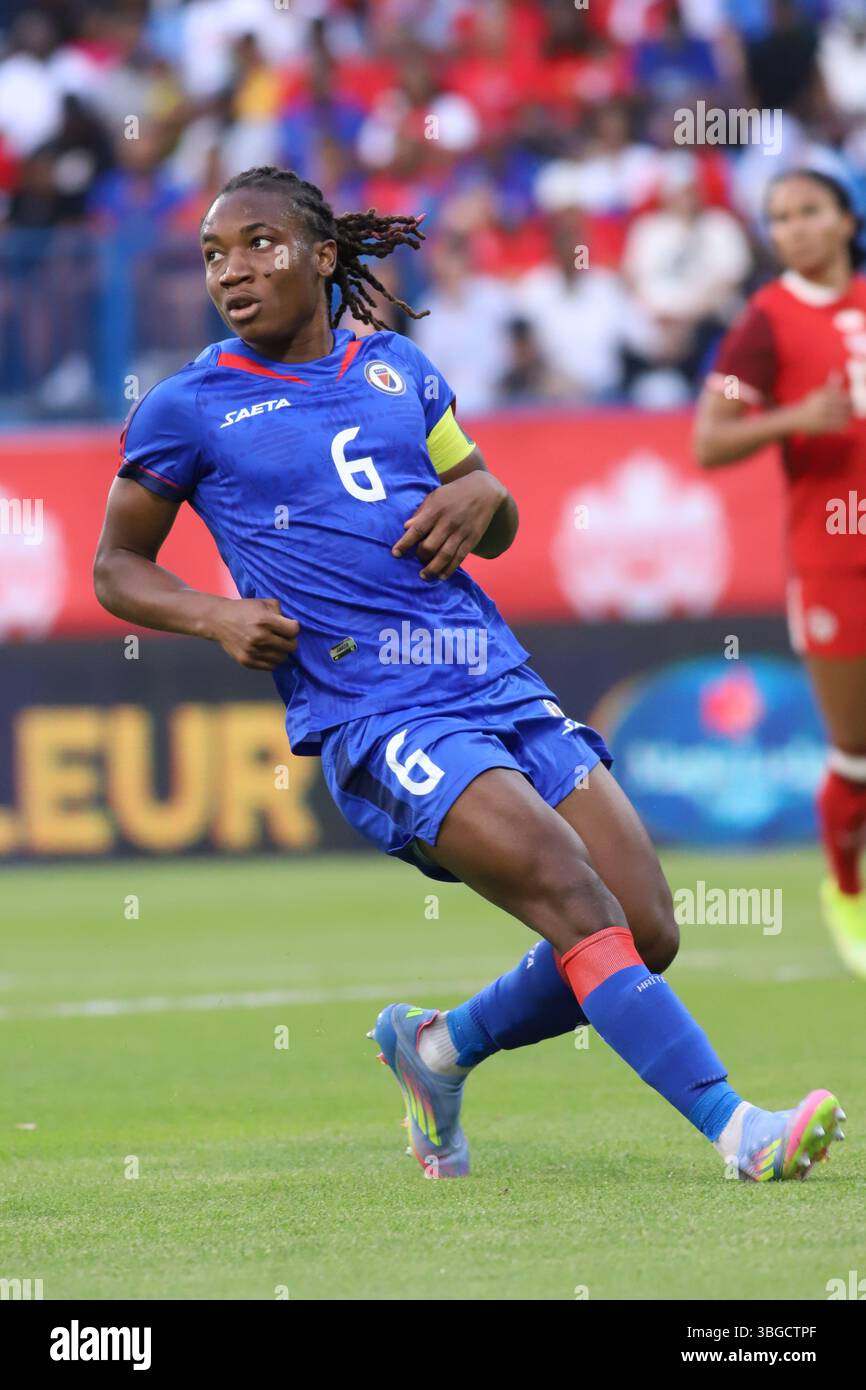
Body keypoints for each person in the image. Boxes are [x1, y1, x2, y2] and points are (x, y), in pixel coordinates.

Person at [94, 164, 844, 1182]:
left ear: (323, 257)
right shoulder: (189, 406)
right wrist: (215, 613)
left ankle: (436, 1047)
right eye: (215, 254)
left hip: (490, 675)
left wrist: (483, 489)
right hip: (375, 710)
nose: (233, 269)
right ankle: (736, 1128)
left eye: (260, 243)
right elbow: (116, 567)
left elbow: (494, 519)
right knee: (575, 900)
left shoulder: (401, 367)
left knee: (646, 925)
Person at [695, 168, 866, 980]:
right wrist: (796, 418)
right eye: (779, 217)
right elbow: (708, 441)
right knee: (856, 753)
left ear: (844, 219)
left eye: (808, 212)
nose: (793, 228)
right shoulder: (766, 320)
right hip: (834, 562)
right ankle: (844, 889)